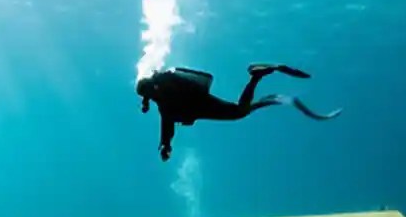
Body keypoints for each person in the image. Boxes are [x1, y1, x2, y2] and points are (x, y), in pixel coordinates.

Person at [135, 63, 342, 161]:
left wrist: (166, 145)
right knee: (240, 111)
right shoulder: (163, 98)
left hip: (198, 104)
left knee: (238, 112)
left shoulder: (165, 100)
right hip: (197, 105)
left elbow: (167, 123)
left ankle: (256, 77)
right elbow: (167, 125)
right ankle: (263, 94)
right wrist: (166, 144)